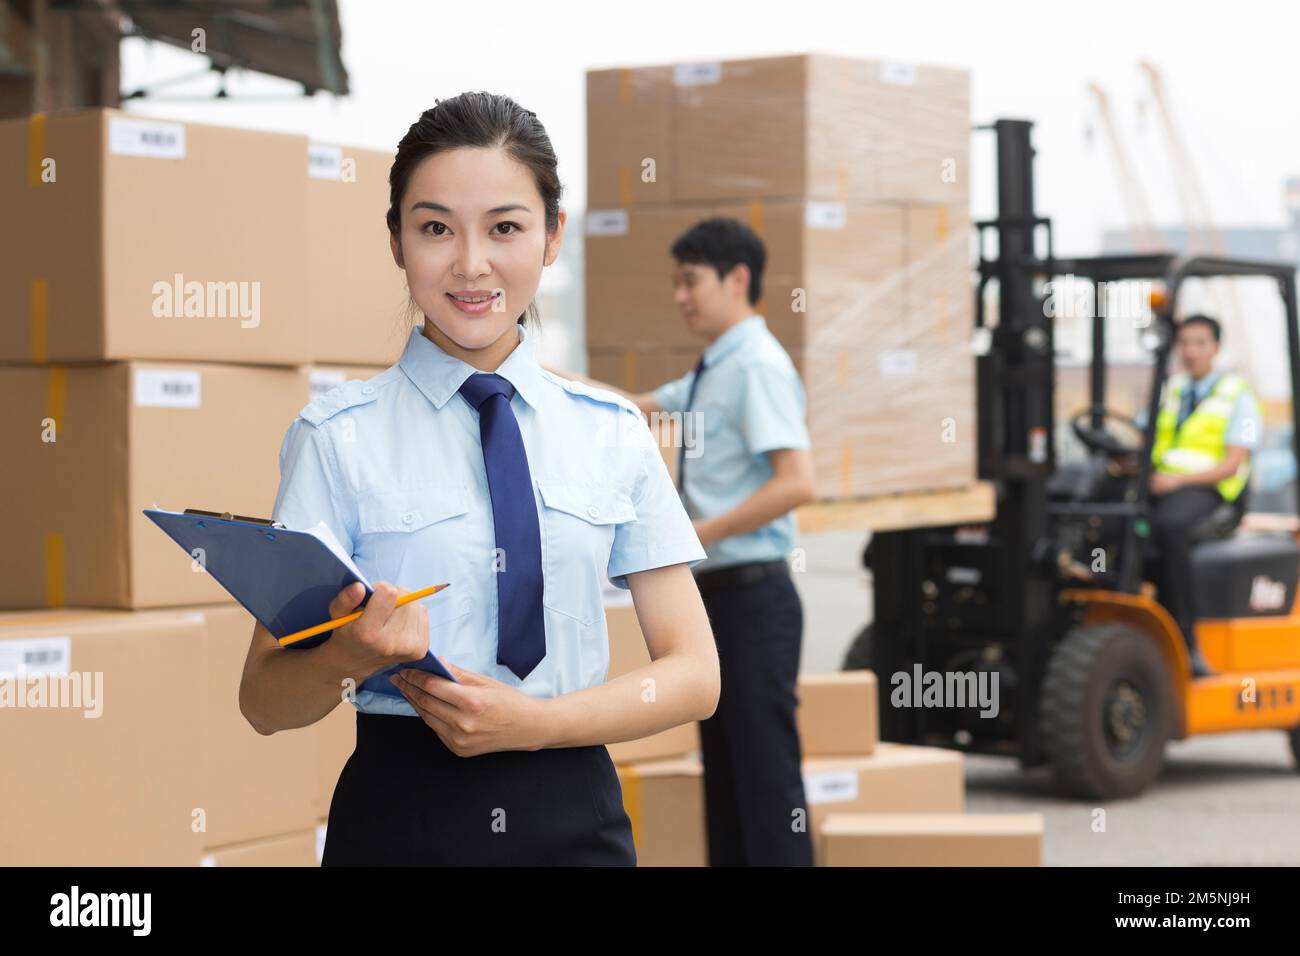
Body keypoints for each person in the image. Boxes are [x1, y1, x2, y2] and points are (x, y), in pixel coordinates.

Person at [238, 92, 720, 866]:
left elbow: (696, 675)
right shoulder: (336, 439)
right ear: (396, 241)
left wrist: (538, 724)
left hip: (578, 819)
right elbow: (263, 702)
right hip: (402, 821)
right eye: (435, 228)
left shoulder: (611, 431)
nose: (471, 263)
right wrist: (346, 657)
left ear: (552, 235)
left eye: (505, 227)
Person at [559, 218, 817, 866]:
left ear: (737, 280)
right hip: (719, 599)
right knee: (727, 780)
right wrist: (538, 378)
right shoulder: (713, 368)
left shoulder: (757, 366)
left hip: (755, 597)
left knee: (766, 780)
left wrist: (693, 535)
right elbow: (633, 406)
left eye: (690, 281)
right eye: (676, 282)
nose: (680, 296)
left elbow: (798, 481)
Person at [1141, 313, 1262, 677]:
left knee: (1168, 527)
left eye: (1200, 343)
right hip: (1163, 486)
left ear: (1216, 348)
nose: (1191, 351)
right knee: (1112, 521)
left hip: (1214, 493)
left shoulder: (1239, 397)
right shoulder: (1170, 390)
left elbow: (1233, 463)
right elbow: (1140, 433)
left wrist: (1177, 481)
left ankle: (1186, 642)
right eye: (1185, 343)